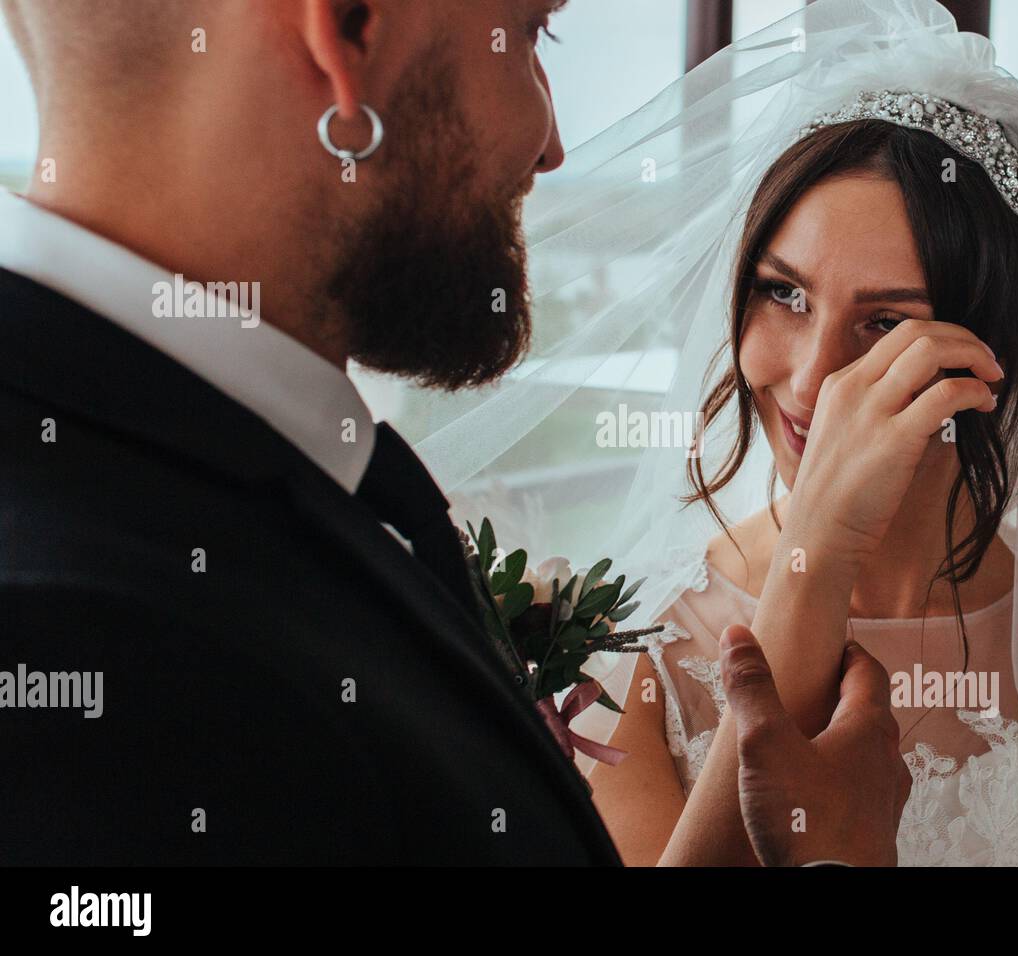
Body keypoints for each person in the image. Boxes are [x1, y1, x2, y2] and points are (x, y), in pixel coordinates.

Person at [0, 0, 902, 865]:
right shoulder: (85, 649)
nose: (550, 145)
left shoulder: (220, 479)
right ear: (346, 30)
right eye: (527, 29)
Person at [418, 0, 1018, 865]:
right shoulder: (629, 656)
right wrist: (818, 551)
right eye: (783, 293)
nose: (811, 379)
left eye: (884, 324)